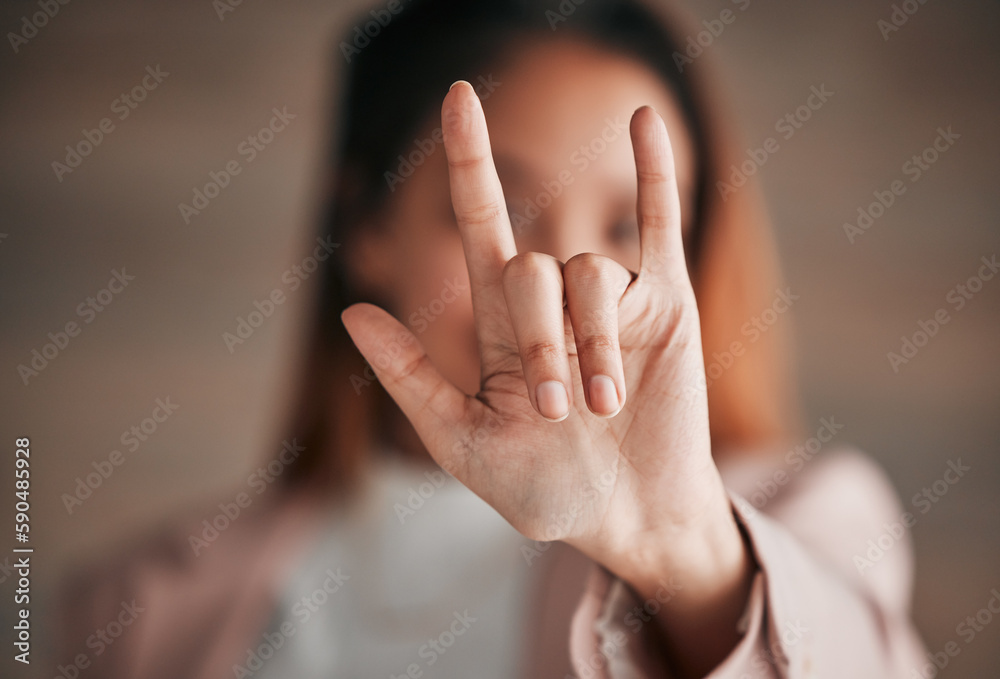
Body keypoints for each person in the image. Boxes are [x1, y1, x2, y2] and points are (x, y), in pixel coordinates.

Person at [59, 0, 929, 677]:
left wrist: (680, 551)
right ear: (365, 224)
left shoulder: (806, 527)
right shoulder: (137, 605)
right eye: (506, 209)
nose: (556, 277)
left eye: (628, 223)